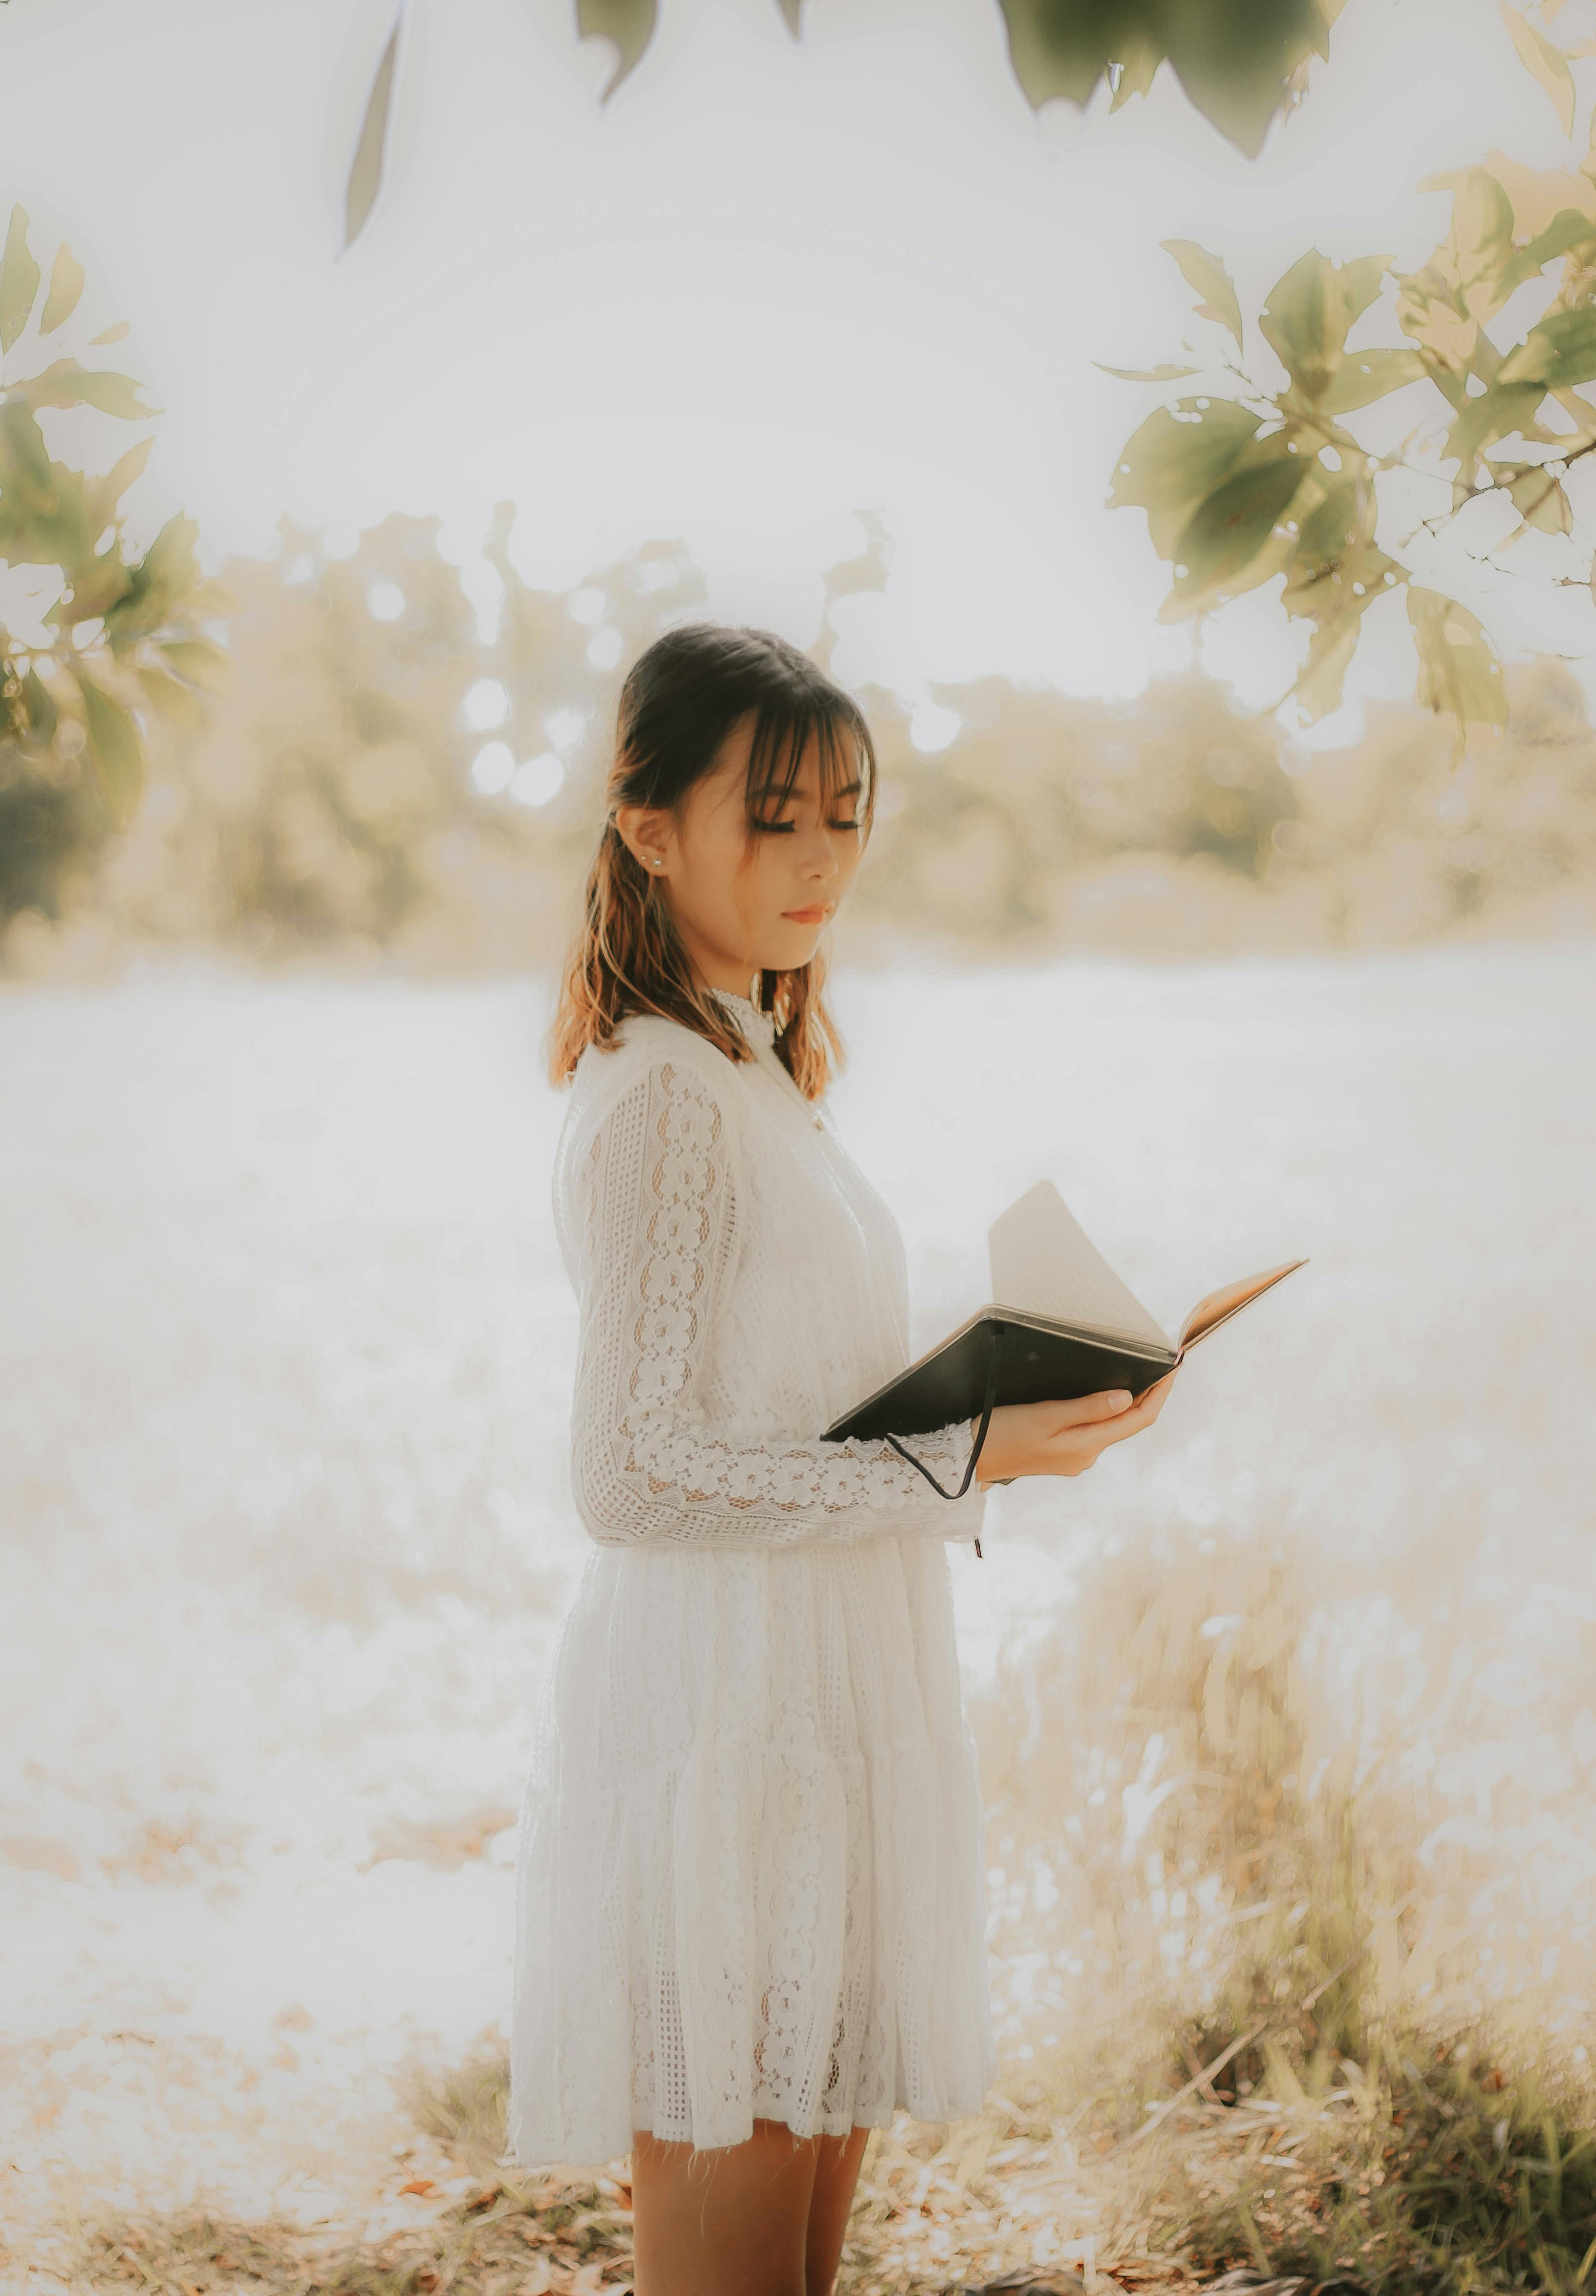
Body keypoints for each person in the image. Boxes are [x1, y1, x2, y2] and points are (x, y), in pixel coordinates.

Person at [510, 625, 1175, 2296]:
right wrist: (964, 1457)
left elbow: (768, 1392)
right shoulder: (666, 1094)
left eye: (846, 816)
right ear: (649, 829)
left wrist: (1004, 1399)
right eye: (773, 818)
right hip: (729, 1716)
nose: (821, 861)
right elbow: (629, 1474)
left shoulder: (752, 1062)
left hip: (825, 1695)